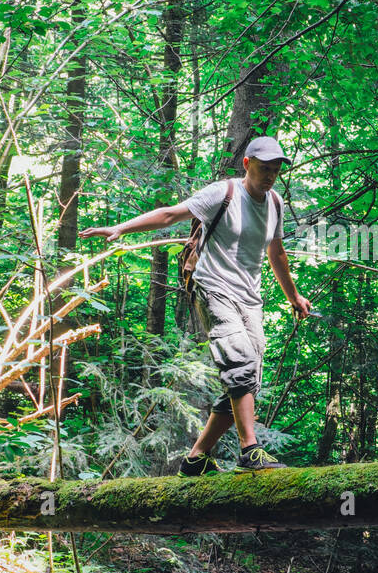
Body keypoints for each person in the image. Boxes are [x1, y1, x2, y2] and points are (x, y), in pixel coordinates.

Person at [81, 136, 311, 471]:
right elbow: (169, 214)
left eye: (276, 170)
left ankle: (196, 459)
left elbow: (276, 253)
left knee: (247, 381)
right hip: (213, 289)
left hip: (250, 300)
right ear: (247, 165)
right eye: (264, 169)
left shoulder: (274, 202)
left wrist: (294, 296)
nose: (271, 176)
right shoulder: (224, 193)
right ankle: (250, 451)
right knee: (240, 365)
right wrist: (121, 228)